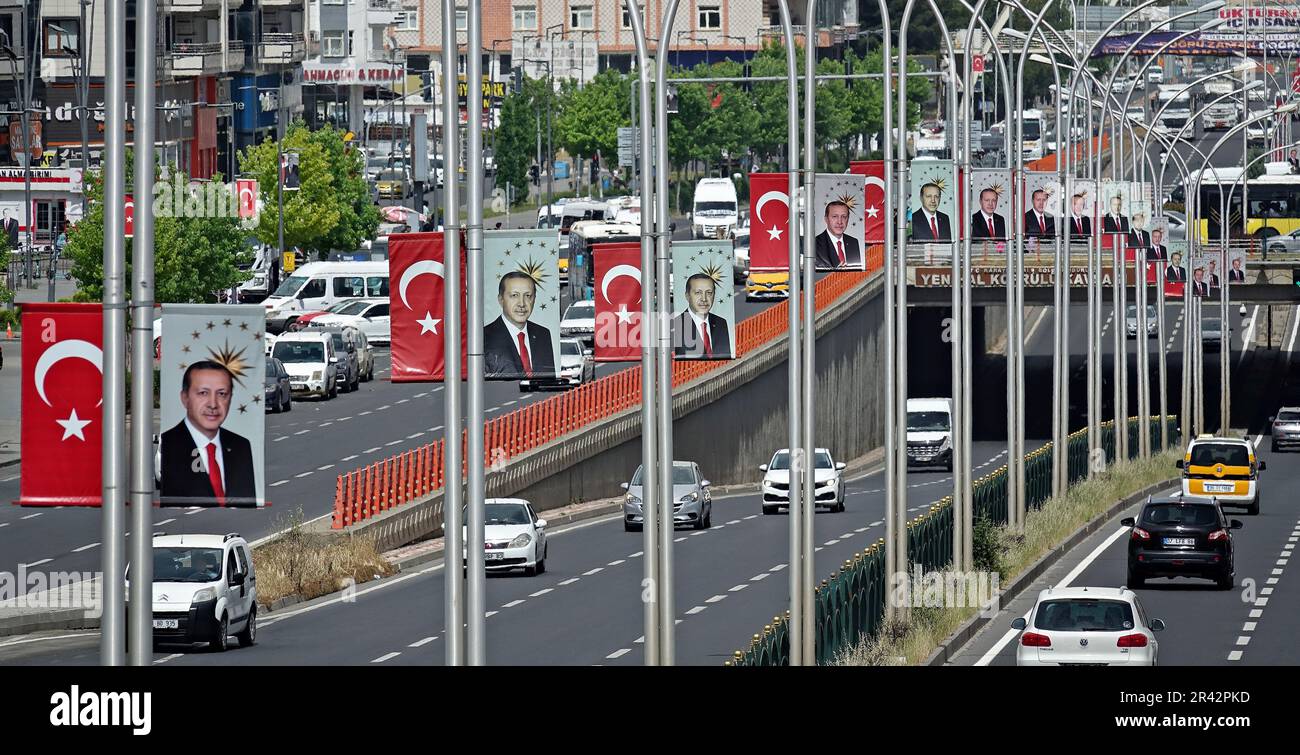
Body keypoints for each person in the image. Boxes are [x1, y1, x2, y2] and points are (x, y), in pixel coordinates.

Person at [160, 360, 257, 506]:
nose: (213, 404)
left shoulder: (241, 446)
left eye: (222, 394)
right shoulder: (169, 444)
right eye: (203, 393)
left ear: (230, 399)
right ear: (185, 398)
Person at [484, 271, 556, 379]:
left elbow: (548, 382)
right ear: (501, 299)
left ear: (534, 299)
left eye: (528, 296)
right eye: (514, 295)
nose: (522, 303)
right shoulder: (485, 337)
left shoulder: (543, 334)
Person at [671, 273, 732, 359]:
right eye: (698, 293)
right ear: (687, 296)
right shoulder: (676, 324)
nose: (704, 299)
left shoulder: (721, 323)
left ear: (714, 295)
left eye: (709, 293)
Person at [814, 200, 862, 269]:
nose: (839, 222)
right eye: (835, 216)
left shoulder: (853, 242)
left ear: (848, 219)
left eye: (844, 217)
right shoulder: (815, 244)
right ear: (826, 219)